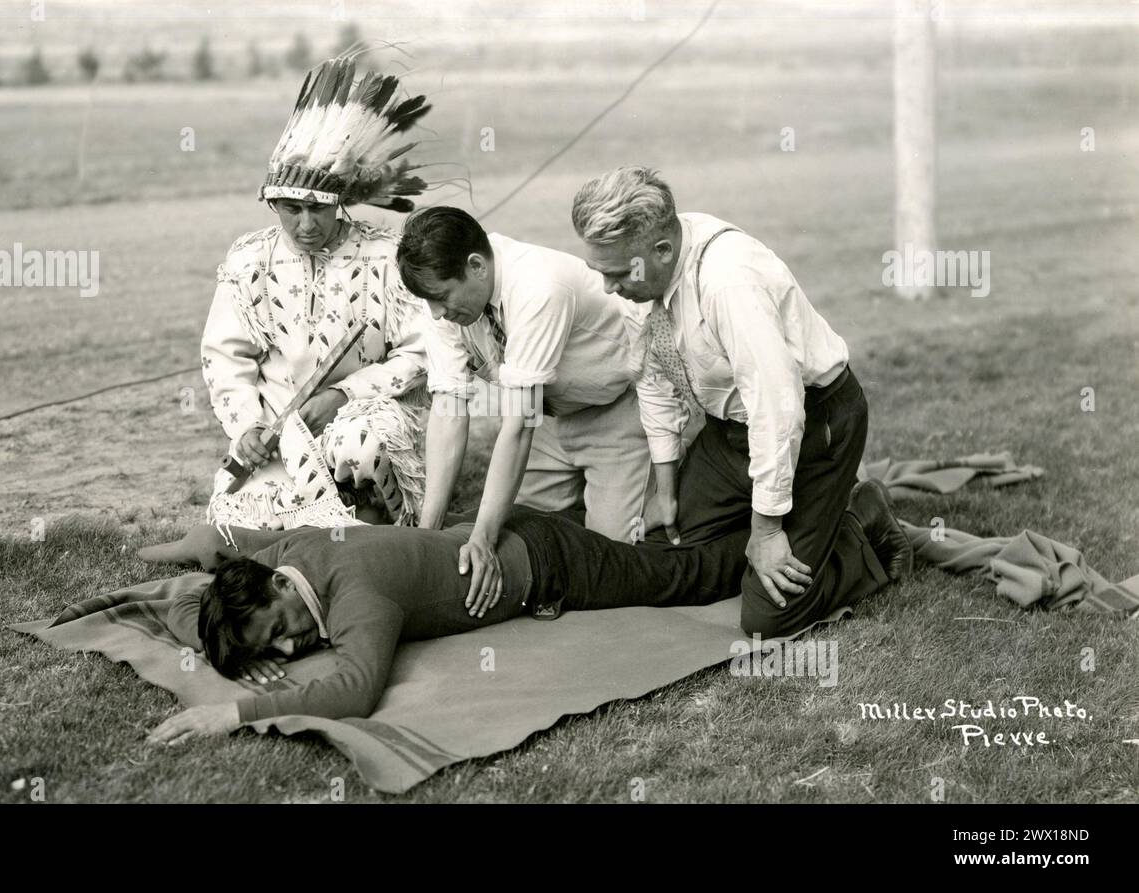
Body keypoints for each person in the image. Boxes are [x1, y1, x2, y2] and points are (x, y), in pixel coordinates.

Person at [569, 165, 913, 638]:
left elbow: (779, 409)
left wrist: (768, 532)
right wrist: (666, 489)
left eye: (614, 274)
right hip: (729, 430)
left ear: (663, 250)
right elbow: (654, 379)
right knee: (669, 546)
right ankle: (778, 532)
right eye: (598, 272)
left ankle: (863, 528)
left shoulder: (728, 281)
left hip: (814, 425)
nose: (608, 288)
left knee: (769, 616)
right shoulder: (640, 275)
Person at [145, 508, 750, 744]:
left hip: (551, 563)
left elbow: (355, 690)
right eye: (270, 645)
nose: (287, 646)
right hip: (484, 534)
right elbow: (192, 604)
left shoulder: (360, 597)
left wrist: (231, 714)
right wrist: (239, 650)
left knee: (684, 578)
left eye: (279, 628)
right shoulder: (282, 558)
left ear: (279, 586)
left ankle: (785, 528)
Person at [201, 54, 438, 531]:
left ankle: (387, 525)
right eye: (291, 209)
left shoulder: (386, 255)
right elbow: (226, 358)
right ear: (273, 204)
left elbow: (423, 353)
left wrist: (344, 393)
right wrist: (248, 426)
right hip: (278, 427)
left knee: (361, 445)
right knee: (242, 517)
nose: (305, 225)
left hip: (364, 413)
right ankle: (340, 515)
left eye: (318, 209)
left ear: (340, 203)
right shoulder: (249, 261)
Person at [393, 206, 651, 616]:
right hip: (551, 419)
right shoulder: (442, 301)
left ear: (476, 266)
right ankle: (582, 501)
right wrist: (427, 532)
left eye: (442, 298)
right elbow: (449, 409)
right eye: (430, 302)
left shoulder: (537, 286)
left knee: (609, 562)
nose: (438, 313)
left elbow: (517, 427)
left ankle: (664, 483)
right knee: (527, 541)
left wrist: (481, 538)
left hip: (617, 413)